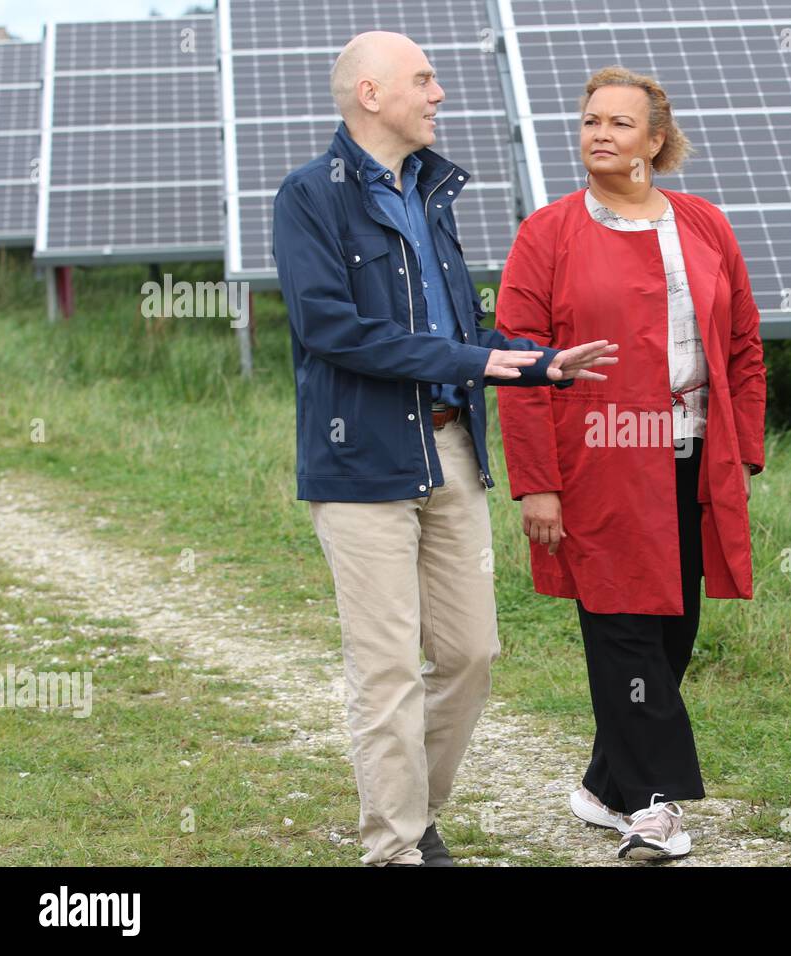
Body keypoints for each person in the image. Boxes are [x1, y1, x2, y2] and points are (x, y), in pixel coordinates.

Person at [271, 31, 617, 867]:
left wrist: (535, 362)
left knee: (470, 654)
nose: (440, 95)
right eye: (423, 80)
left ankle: (412, 809)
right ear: (370, 94)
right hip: (359, 465)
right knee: (386, 666)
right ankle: (394, 847)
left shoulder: (433, 193)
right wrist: (471, 358)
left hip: (450, 451)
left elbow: (456, 333)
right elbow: (333, 331)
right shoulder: (309, 196)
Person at [495, 66, 766, 862]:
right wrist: (538, 482)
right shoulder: (545, 235)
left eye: (619, 122)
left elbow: (745, 346)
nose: (600, 134)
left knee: (675, 629)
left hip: (693, 461)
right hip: (598, 465)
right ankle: (653, 805)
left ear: (656, 139)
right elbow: (518, 363)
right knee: (622, 630)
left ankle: (604, 787)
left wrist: (741, 449)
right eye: (589, 121)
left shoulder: (706, 225)